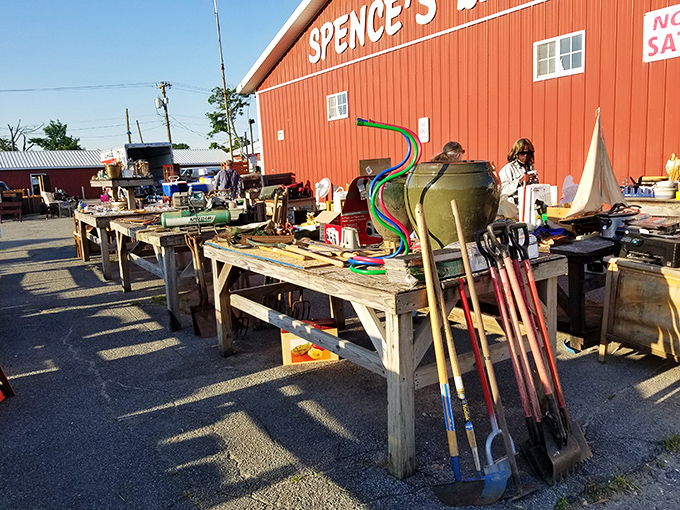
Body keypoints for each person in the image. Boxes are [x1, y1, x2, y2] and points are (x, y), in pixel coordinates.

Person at [499, 138, 539, 204]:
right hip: (512, 207)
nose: (526, 155)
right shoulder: (508, 168)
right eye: (522, 153)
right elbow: (502, 191)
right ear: (516, 153)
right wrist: (520, 182)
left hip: (529, 203)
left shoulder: (531, 167)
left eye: (528, 153)